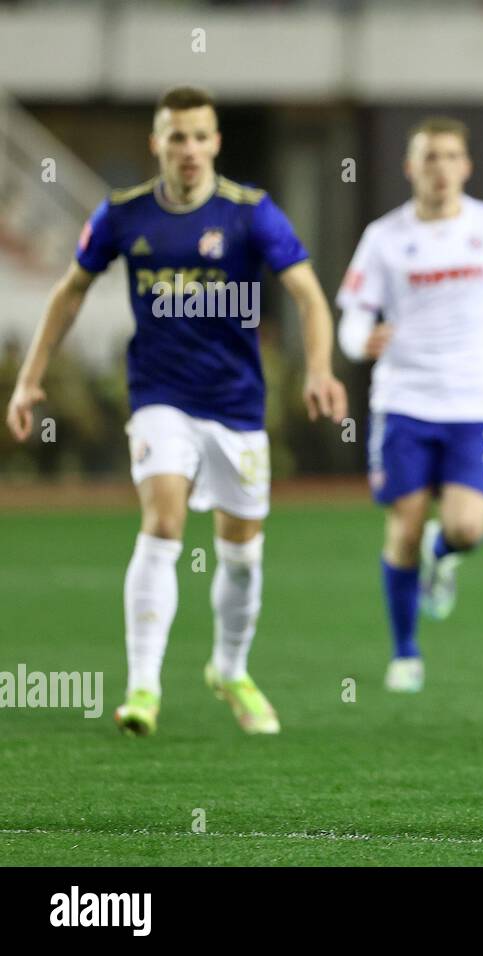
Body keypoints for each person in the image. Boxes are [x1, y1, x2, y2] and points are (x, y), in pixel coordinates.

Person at [4, 85, 348, 736]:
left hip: (239, 406)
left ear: (216, 142)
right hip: (160, 397)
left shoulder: (251, 214)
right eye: (176, 136)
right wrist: (29, 380)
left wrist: (321, 367)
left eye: (199, 136)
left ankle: (229, 669)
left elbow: (307, 294)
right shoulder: (122, 215)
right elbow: (69, 292)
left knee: (242, 552)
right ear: (155, 143)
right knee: (162, 523)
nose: (188, 149)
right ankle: (142, 689)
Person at [336, 117, 483, 694]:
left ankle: (443, 551)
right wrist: (360, 341)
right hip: (403, 399)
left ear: (466, 166)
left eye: (451, 155)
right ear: (411, 167)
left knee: (468, 528)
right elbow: (353, 314)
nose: (440, 166)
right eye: (429, 157)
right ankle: (405, 653)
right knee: (401, 526)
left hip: (473, 399)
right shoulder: (384, 237)